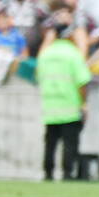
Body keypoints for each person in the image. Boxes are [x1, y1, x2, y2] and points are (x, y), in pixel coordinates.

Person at [37, 13, 93, 182]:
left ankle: (48, 174)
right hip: (70, 105)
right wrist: (84, 103)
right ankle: (67, 174)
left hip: (50, 106)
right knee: (70, 143)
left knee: (50, 143)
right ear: (69, 35)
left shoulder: (45, 54)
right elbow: (82, 81)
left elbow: (39, 76)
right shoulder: (73, 54)